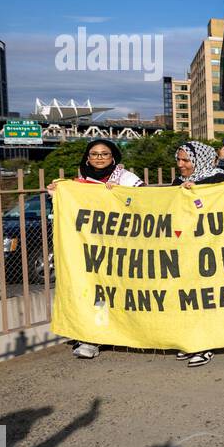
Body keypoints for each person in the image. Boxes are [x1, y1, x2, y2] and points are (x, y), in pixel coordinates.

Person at [53, 139, 145, 360]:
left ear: (113, 157)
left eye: (105, 153)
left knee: (127, 289)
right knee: (98, 290)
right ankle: (93, 337)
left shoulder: (127, 178)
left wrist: (122, 195)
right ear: (87, 157)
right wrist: (58, 191)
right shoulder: (80, 182)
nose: (99, 158)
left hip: (125, 245)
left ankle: (135, 333)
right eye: (94, 154)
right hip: (93, 246)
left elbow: (146, 202)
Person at [170, 142, 224, 367]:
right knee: (187, 297)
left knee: (206, 297)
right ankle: (189, 340)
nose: (181, 165)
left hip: (211, 248)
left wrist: (199, 194)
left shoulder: (219, 178)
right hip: (185, 247)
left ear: (200, 159)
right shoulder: (177, 182)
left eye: (186, 160)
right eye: (179, 160)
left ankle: (206, 344)